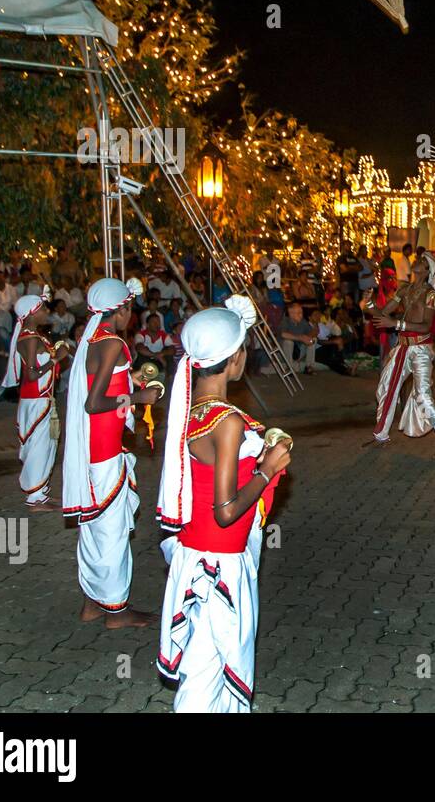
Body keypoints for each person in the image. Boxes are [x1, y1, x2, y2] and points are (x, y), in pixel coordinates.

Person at [155, 297, 292, 711]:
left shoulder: (192, 409)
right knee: (211, 665)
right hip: (220, 560)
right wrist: (268, 469)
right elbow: (227, 509)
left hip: (196, 554)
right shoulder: (228, 421)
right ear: (236, 359)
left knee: (204, 661)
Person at [62, 277, 160, 628]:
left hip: (95, 448)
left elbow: (101, 383)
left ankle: (92, 602)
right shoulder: (113, 344)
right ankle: (116, 611)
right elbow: (94, 402)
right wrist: (138, 398)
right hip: (103, 450)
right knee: (112, 530)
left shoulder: (95, 339)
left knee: (93, 525)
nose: (130, 317)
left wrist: (129, 381)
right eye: (129, 310)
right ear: (120, 311)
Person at [368, 252, 435, 454]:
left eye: (422, 261)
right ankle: (381, 435)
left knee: (423, 396)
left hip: (420, 350)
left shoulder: (430, 294)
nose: (416, 261)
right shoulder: (405, 289)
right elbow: (383, 314)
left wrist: (396, 323)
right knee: (387, 387)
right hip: (402, 347)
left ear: (427, 270)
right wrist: (370, 305)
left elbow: (425, 326)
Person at [0, 291, 67, 510]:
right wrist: (57, 358)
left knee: (46, 446)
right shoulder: (29, 339)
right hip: (35, 400)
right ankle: (34, 497)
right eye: (43, 309)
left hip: (42, 399)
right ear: (33, 313)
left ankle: (41, 494)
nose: (47, 312)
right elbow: (31, 375)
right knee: (39, 448)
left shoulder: (33, 336)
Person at [278, 302, 318, 374]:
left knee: (313, 340)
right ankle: (289, 368)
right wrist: (301, 338)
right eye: (299, 313)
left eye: (301, 313)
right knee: (288, 342)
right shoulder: (285, 321)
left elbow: (313, 332)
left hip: (298, 351)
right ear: (291, 313)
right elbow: (283, 334)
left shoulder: (302, 321)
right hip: (284, 353)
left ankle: (309, 367)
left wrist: (308, 337)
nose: (301, 315)